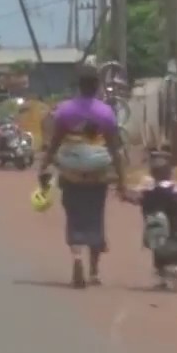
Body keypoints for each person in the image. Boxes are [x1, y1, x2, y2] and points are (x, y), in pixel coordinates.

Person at [38, 64, 128, 288]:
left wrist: (44, 165)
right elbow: (114, 149)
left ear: (79, 86)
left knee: (74, 217)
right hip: (98, 175)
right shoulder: (106, 113)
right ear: (97, 86)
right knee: (95, 217)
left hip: (71, 174)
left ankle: (77, 257)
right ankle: (94, 272)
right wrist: (122, 180)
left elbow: (55, 142)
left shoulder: (65, 111)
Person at [132, 152, 177, 290]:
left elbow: (141, 202)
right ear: (169, 172)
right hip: (175, 225)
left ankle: (162, 278)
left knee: (158, 249)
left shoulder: (149, 189)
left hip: (157, 226)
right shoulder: (175, 187)